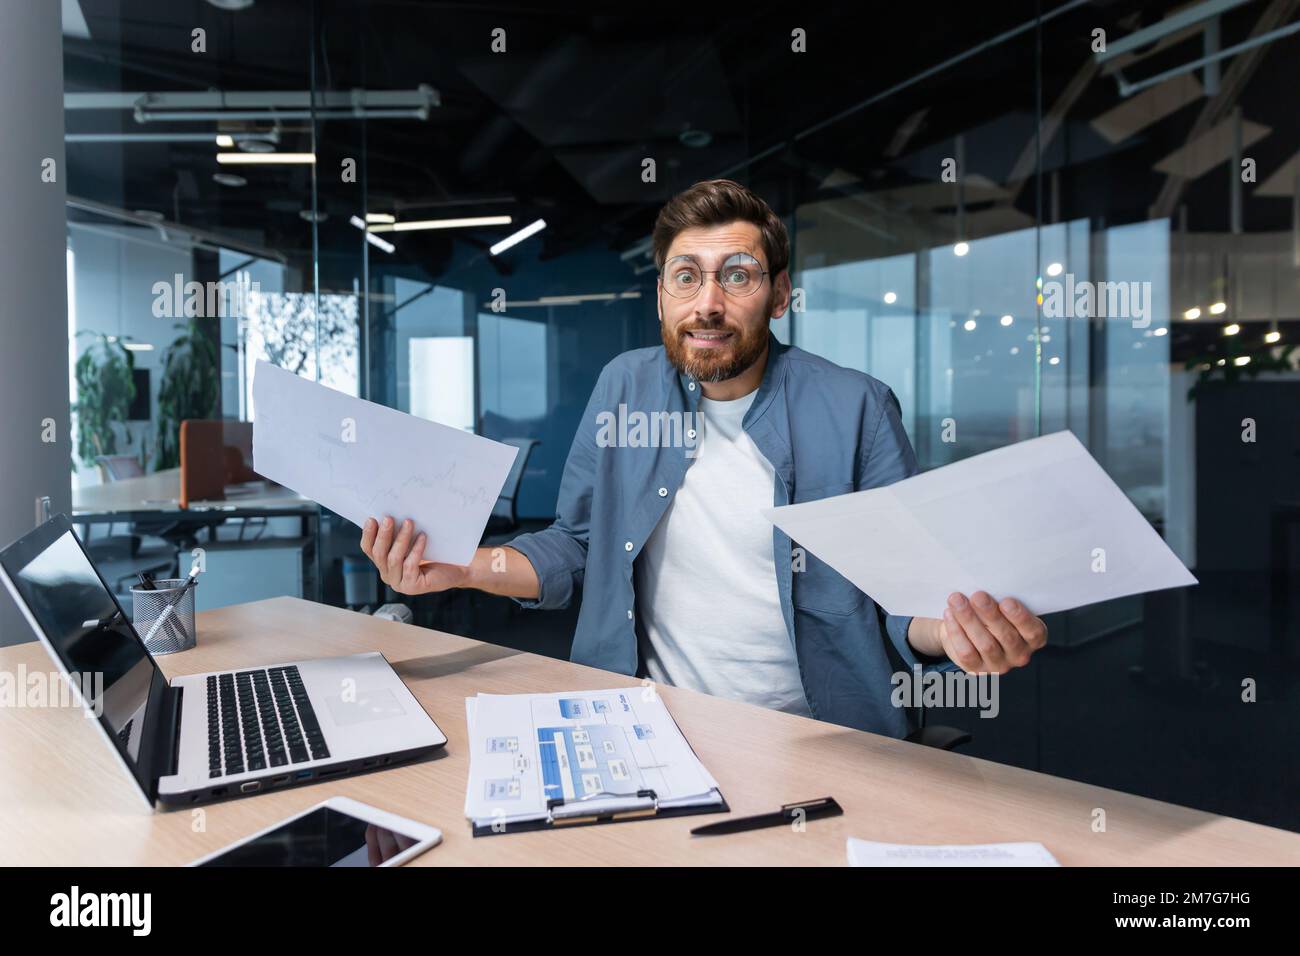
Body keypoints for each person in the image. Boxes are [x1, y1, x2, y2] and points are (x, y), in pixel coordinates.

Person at [360, 178, 1046, 737]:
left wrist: (955, 634)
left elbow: (907, 598)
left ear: (779, 295)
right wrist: (462, 568)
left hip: (823, 739)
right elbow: (577, 547)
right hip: (644, 726)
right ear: (661, 293)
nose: (708, 304)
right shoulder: (624, 386)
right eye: (685, 277)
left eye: (738, 276)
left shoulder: (857, 407)